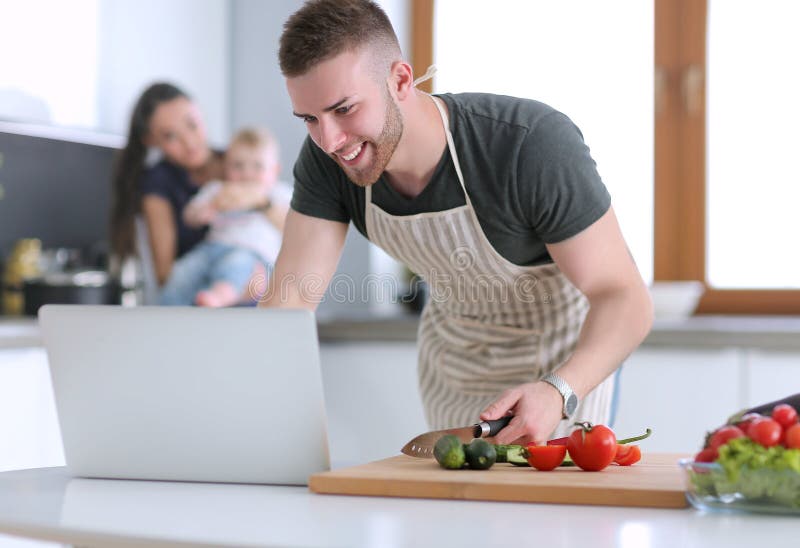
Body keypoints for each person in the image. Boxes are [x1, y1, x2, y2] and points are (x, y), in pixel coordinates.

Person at [264, 0, 654, 446]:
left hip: (563, 373)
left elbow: (624, 297)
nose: (330, 140)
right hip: (454, 374)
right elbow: (292, 298)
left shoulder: (530, 146)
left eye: (345, 109)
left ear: (400, 80)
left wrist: (558, 389)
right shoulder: (328, 160)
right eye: (310, 119)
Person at [110, 82, 270, 294]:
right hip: (201, 302)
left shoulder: (238, 162)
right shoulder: (157, 184)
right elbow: (165, 279)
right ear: (150, 141)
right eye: (170, 136)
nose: (189, 142)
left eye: (192, 124)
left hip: (255, 293)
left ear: (200, 113)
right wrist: (233, 289)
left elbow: (288, 228)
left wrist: (257, 200)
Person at [159, 128, 290, 307]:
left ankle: (218, 297)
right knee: (183, 271)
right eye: (238, 165)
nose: (247, 173)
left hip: (252, 254)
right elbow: (190, 214)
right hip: (211, 248)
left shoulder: (278, 193)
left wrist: (263, 203)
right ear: (226, 167)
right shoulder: (217, 189)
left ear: (275, 171)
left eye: (257, 166)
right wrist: (202, 212)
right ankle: (167, 310)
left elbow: (292, 227)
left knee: (236, 265)